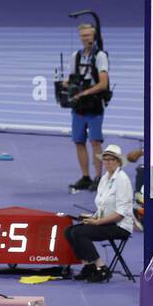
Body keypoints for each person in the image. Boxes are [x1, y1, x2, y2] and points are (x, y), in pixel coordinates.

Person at [63, 144, 134, 283]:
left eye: (111, 159)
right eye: (105, 159)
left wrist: (97, 222)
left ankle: (101, 269)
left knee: (80, 233)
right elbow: (103, 206)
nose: (107, 162)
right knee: (69, 230)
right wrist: (92, 217)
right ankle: (88, 266)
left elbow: (120, 214)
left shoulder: (122, 180)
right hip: (106, 221)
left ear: (118, 161)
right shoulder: (105, 178)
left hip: (120, 226)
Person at [66, 21, 110, 191]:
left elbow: (103, 83)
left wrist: (85, 93)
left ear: (94, 36)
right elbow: (71, 80)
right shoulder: (75, 56)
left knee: (95, 142)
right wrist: (63, 86)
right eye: (83, 35)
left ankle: (99, 177)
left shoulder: (100, 56)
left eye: (88, 35)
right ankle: (85, 177)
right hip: (78, 106)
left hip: (94, 105)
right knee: (78, 141)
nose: (85, 38)